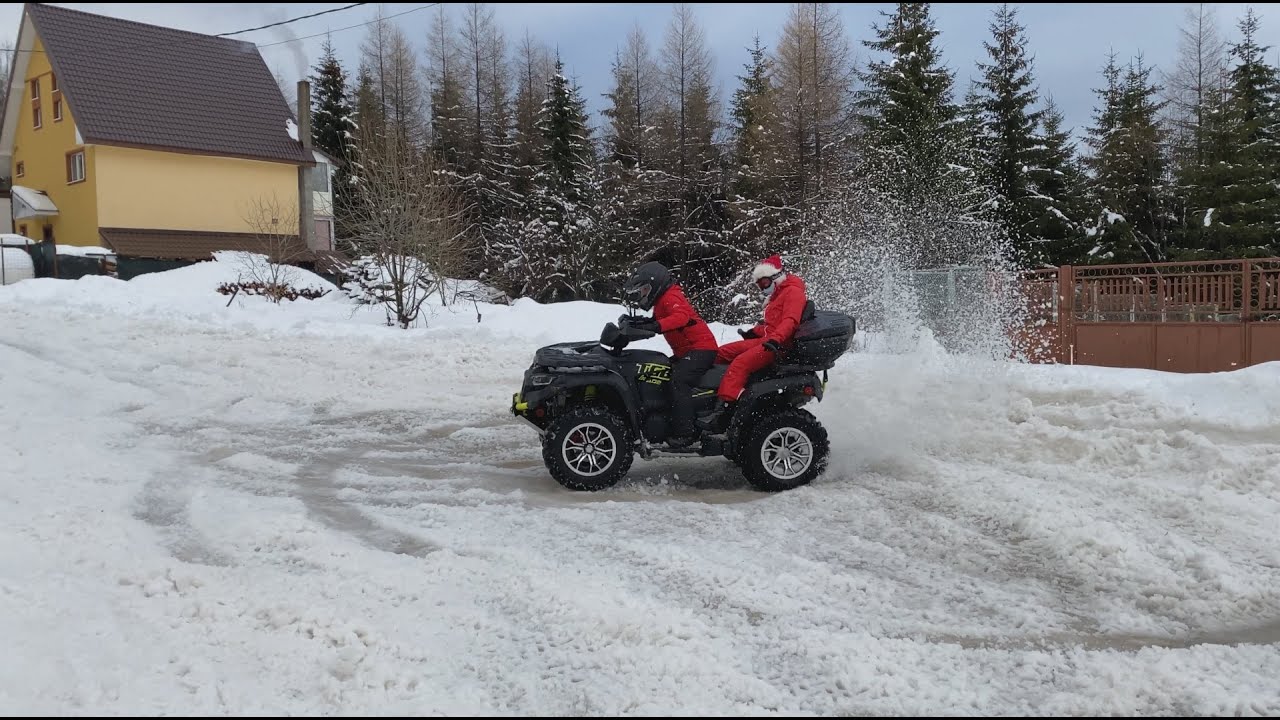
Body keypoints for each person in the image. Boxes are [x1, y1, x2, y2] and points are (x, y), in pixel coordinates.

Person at [698, 254, 808, 433]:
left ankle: (725, 411)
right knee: (721, 352)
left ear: (775, 277)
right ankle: (707, 396)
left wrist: (776, 339)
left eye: (764, 282)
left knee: (740, 363)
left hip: (779, 345)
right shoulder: (778, 294)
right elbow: (772, 325)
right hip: (769, 340)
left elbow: (790, 321)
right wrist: (754, 332)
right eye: (759, 284)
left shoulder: (793, 292)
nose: (762, 288)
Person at [621, 261, 718, 448]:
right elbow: (658, 320)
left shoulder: (671, 296)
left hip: (701, 348)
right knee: (660, 375)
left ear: (656, 284)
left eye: (644, 290)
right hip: (688, 351)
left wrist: (655, 326)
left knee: (678, 381)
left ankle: (686, 433)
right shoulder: (661, 302)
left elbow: (680, 317)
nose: (642, 295)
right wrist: (638, 324)